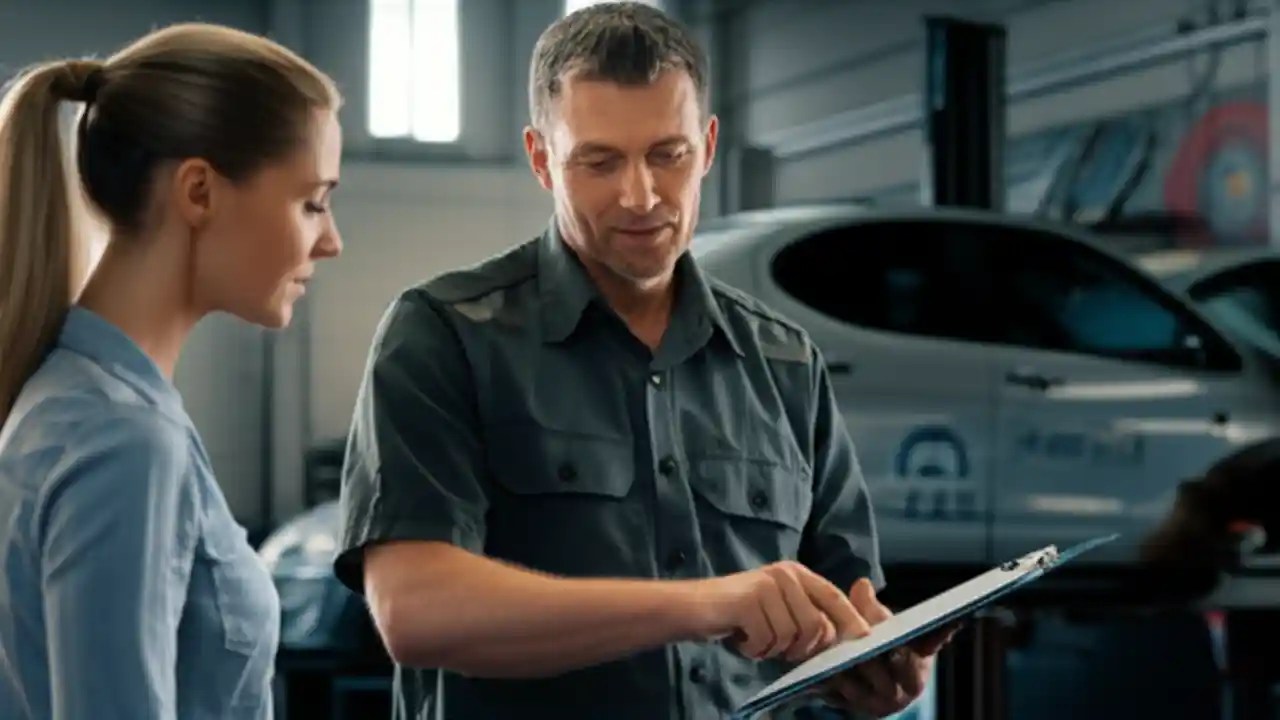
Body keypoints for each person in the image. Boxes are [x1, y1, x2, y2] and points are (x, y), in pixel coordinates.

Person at [335, 3, 948, 718]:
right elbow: (417, 612)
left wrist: (876, 675)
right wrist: (705, 603)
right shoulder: (445, 337)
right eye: (599, 161)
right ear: (541, 159)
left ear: (709, 146)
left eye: (668, 154)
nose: (641, 195)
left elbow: (847, 616)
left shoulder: (785, 365)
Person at [0, 22, 343, 719]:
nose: (331, 241)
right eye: (312, 202)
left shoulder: (72, 400)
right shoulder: (121, 438)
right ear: (198, 191)